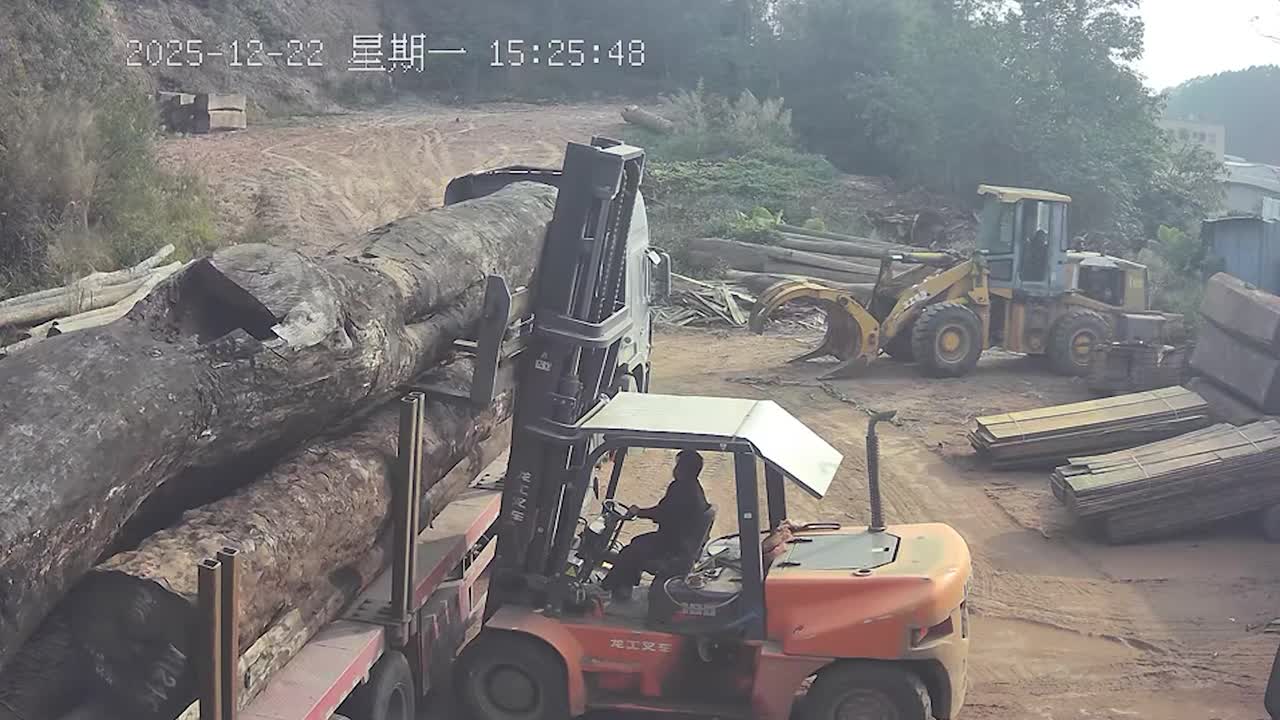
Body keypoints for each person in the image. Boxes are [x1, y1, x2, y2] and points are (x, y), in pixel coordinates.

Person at [602, 450, 711, 602]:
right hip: (679, 541)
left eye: (678, 465)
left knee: (630, 551)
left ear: (683, 468)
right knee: (637, 542)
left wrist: (638, 512)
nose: (675, 469)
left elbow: (662, 513)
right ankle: (624, 587)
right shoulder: (694, 488)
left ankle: (607, 588)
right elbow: (667, 513)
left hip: (672, 545)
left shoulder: (680, 488)